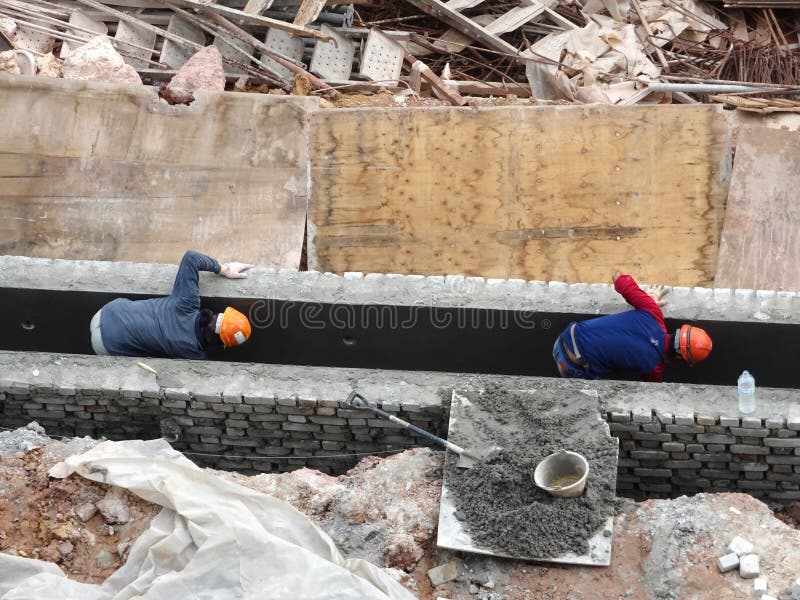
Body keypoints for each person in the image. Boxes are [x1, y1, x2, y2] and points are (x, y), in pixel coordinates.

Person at [89, 250, 254, 359]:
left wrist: (223, 269)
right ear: (220, 344)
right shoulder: (191, 353)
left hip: (107, 312)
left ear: (218, 315)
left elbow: (191, 258)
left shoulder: (187, 303)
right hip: (106, 346)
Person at [552, 272, 712, 382]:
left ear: (680, 330)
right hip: (571, 365)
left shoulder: (652, 312)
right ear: (680, 358)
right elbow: (648, 394)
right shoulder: (653, 368)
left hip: (565, 337)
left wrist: (646, 299)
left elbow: (618, 279)